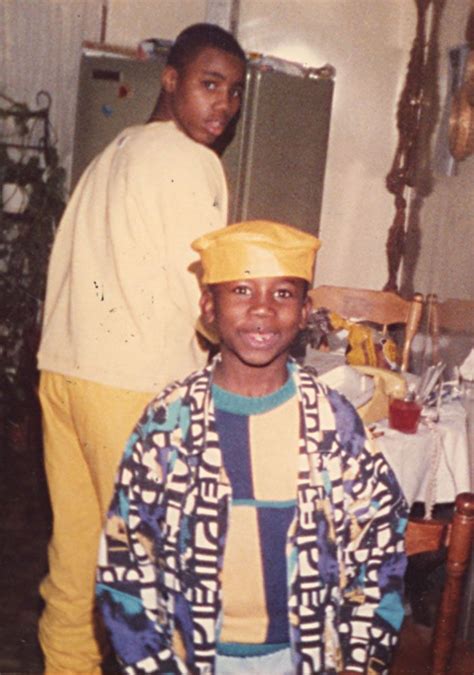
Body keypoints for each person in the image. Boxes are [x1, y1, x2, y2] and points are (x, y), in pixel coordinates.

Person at [96, 220, 409, 674]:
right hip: (189, 659)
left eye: (283, 293)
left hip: (305, 658)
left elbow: (377, 550)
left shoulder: (334, 424)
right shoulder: (167, 424)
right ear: (209, 306)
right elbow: (125, 561)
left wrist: (359, 661)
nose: (263, 309)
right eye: (242, 291)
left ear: (304, 312)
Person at [37, 23, 246, 674]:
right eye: (210, 84)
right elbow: (209, 300)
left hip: (65, 373)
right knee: (162, 575)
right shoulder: (193, 162)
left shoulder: (116, 150)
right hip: (130, 390)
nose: (224, 105)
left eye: (235, 92)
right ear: (171, 79)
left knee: (76, 565)